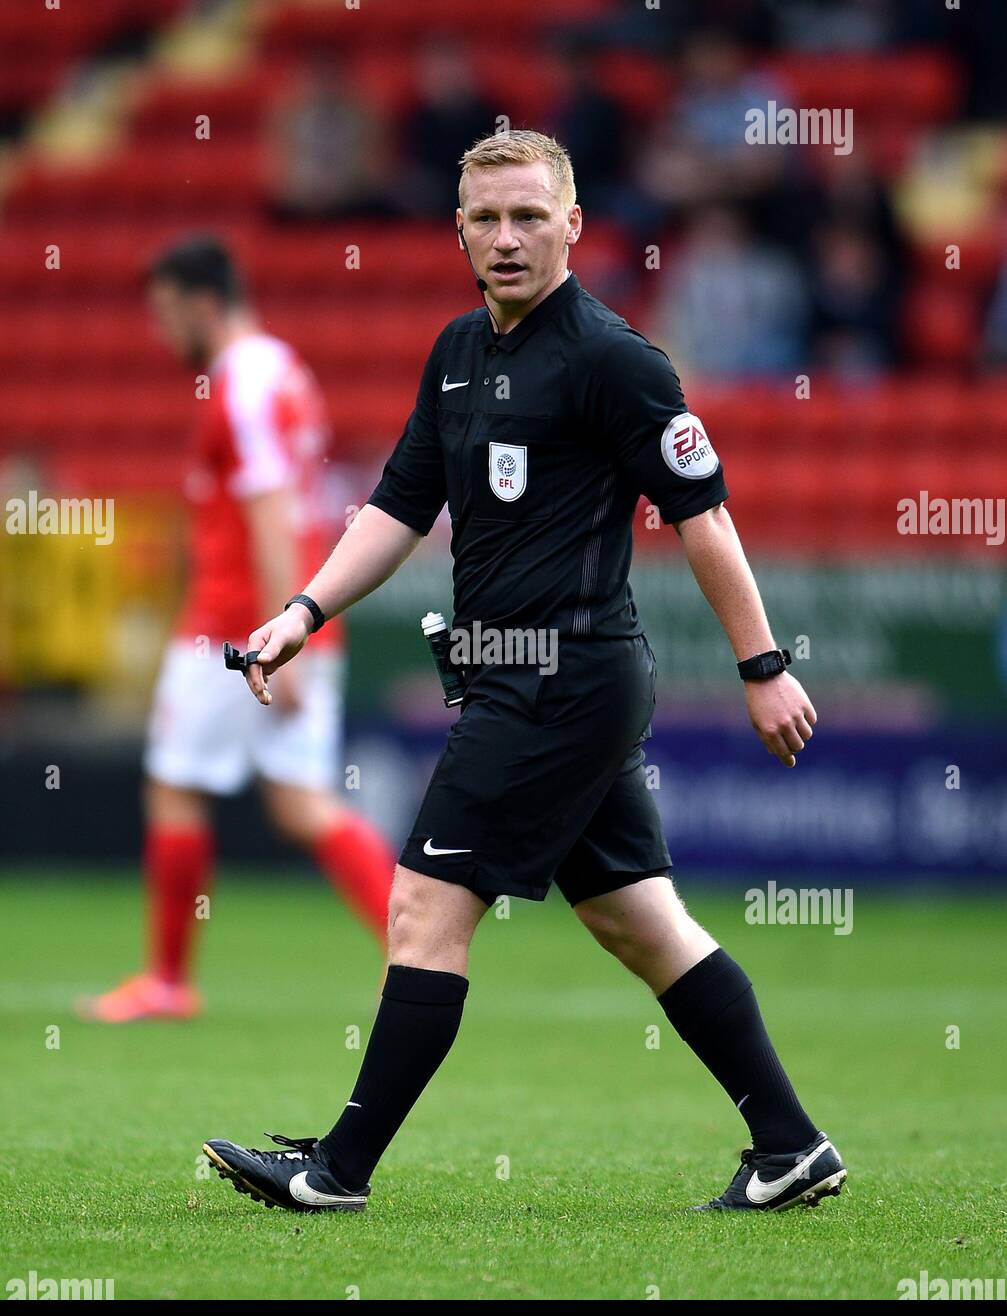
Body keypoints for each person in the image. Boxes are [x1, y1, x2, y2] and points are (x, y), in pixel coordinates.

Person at [203, 134, 845, 1213]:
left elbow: (703, 517)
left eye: (527, 218)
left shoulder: (612, 358)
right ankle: (789, 1145)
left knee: (421, 909)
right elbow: (398, 507)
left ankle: (335, 1171)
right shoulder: (455, 349)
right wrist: (302, 610)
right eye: (485, 219)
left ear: (572, 226)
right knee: (638, 920)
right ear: (457, 228)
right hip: (525, 676)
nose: (505, 238)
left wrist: (762, 665)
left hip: (559, 676)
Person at [78, 237, 393, 1023]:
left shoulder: (244, 382)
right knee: (302, 805)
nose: (159, 330)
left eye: (164, 311)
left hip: (234, 625)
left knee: (176, 787)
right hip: (296, 617)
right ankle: (421, 955)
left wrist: (278, 637)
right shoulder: (281, 368)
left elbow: (270, 507)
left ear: (203, 302)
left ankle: (168, 980)